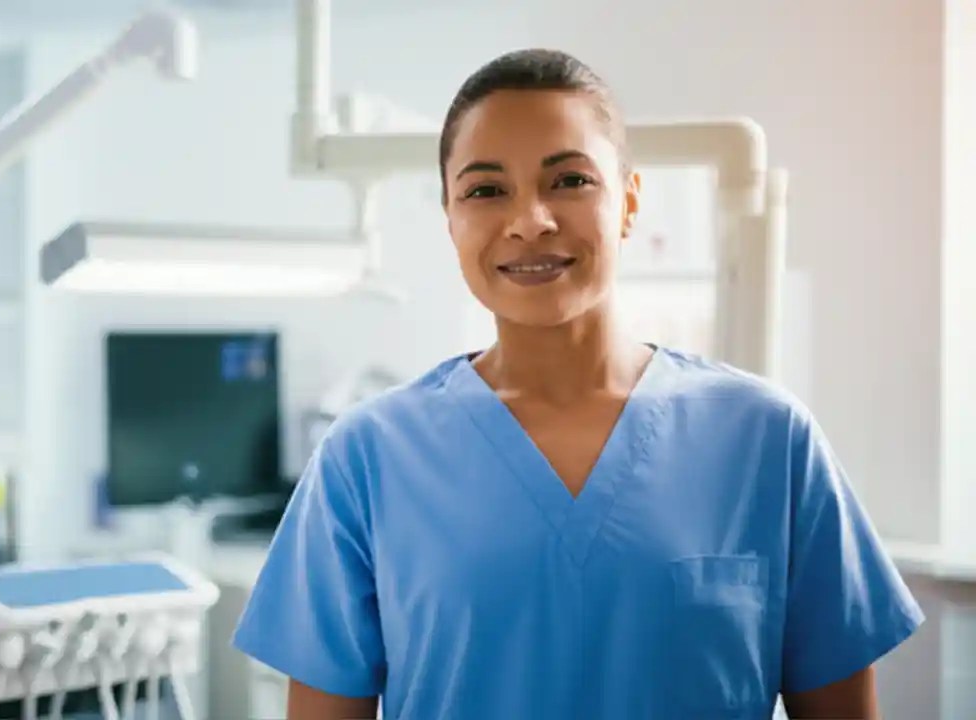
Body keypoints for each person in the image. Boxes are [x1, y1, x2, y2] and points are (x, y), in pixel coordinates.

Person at [232, 48, 923, 719]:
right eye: (485, 190)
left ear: (628, 200)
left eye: (569, 180)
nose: (530, 220)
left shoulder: (767, 439)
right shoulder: (369, 458)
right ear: (450, 217)